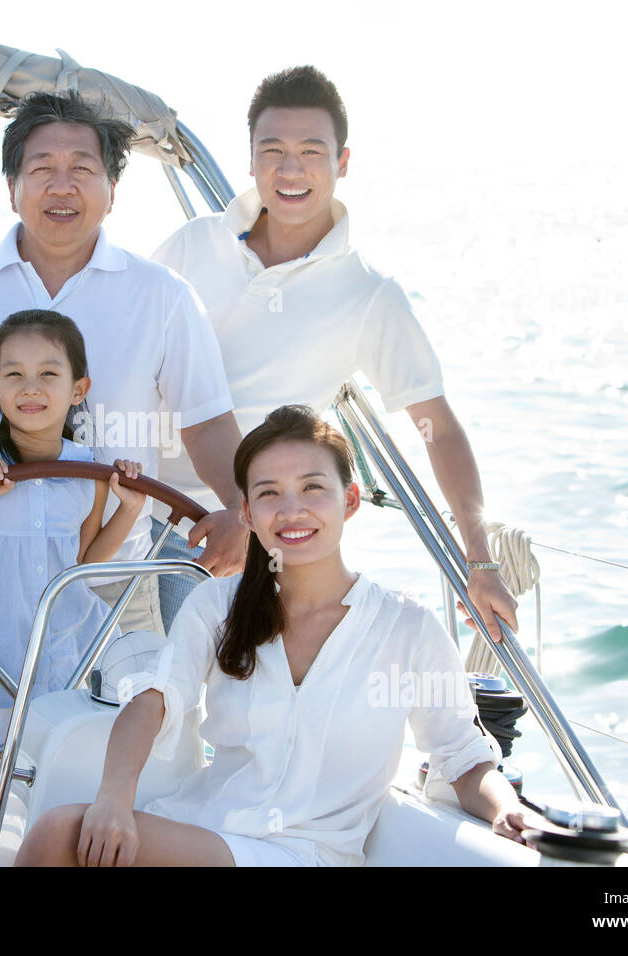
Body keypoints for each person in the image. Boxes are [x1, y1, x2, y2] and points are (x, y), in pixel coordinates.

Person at [0, 90, 245, 866]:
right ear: (11, 187)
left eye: (82, 168)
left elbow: (205, 422)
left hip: (107, 586)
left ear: (110, 189)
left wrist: (237, 504)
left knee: (94, 797)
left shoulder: (161, 296)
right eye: (42, 168)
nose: (62, 186)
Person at [17, 405, 535, 867]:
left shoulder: (407, 628)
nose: (291, 511)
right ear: (246, 513)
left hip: (304, 852)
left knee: (58, 835)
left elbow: (463, 757)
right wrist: (113, 798)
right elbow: (155, 700)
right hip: (204, 830)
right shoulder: (218, 604)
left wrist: (507, 809)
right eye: (269, 494)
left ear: (350, 501)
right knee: (72, 831)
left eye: (313, 488)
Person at [149, 66, 520, 643]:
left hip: (224, 537)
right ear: (250, 160)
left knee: (185, 718)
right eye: (272, 151)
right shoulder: (194, 243)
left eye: (311, 152)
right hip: (118, 507)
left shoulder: (368, 294)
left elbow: (437, 427)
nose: (290, 170)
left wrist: (479, 560)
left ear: (342, 163)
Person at [0, 309, 147, 866]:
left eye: (49, 373)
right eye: (13, 375)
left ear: (78, 389)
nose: (31, 388)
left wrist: (129, 509)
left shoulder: (87, 470)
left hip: (51, 657)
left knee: (17, 796)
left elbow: (86, 561)